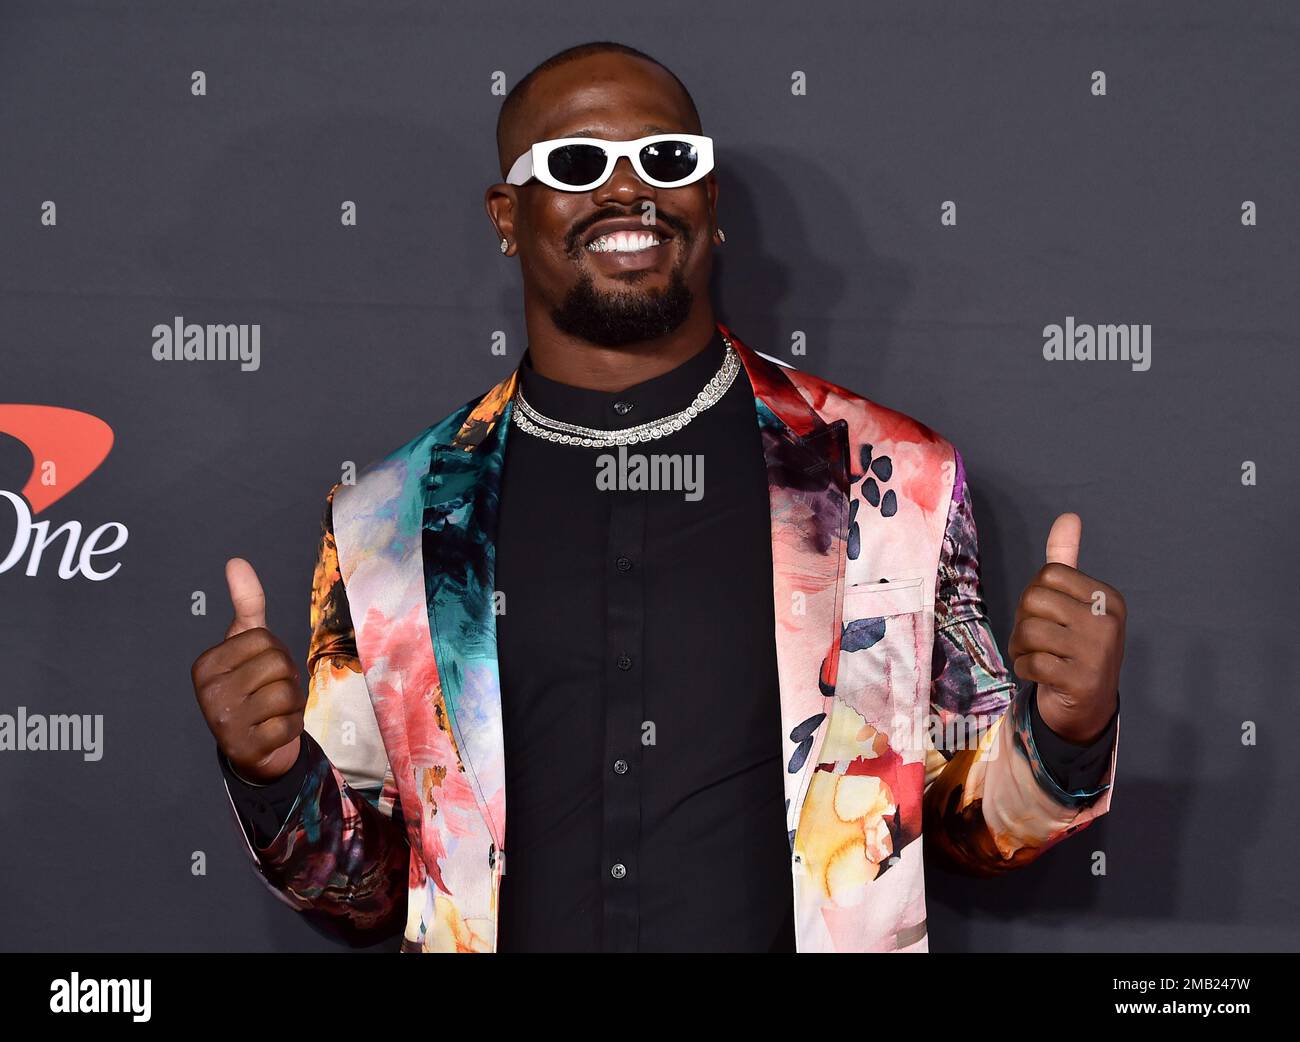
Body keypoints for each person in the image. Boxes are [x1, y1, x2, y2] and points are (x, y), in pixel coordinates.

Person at [190, 41, 1123, 953]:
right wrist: (273, 775)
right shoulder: (387, 525)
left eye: (665, 158)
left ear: (709, 202)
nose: (627, 188)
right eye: (578, 161)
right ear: (507, 214)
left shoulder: (893, 479)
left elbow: (965, 825)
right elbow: (368, 887)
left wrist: (1065, 731)